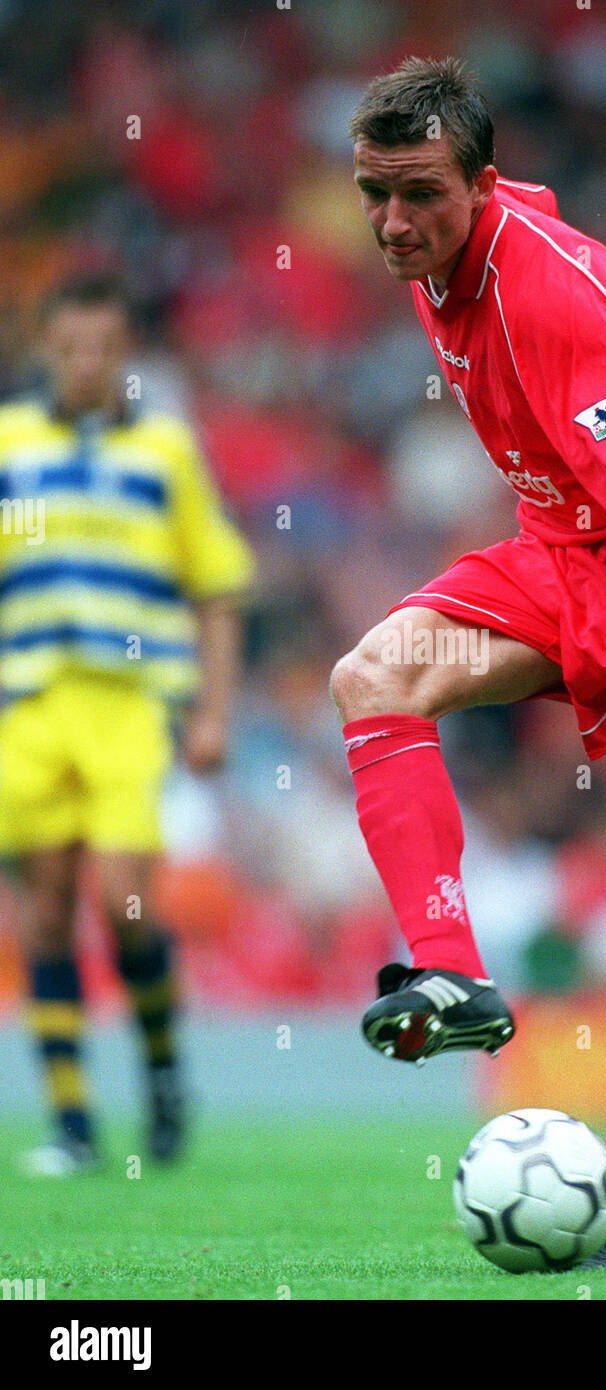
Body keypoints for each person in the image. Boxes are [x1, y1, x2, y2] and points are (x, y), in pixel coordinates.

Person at [331, 57, 606, 1269]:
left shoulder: (548, 281)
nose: (391, 222)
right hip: (561, 549)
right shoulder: (436, 263)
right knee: (371, 677)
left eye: (418, 193)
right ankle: (449, 975)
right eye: (372, 191)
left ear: (479, 183)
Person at [0, 273, 253, 1175]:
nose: (85, 364)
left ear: (126, 354)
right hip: (27, 704)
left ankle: (162, 1072)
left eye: (103, 349)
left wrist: (213, 711)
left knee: (123, 901)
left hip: (127, 702)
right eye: (69, 348)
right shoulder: (9, 445)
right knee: (46, 911)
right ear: (45, 350)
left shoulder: (164, 452)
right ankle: (72, 1122)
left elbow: (217, 586)